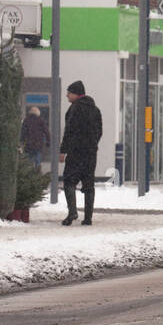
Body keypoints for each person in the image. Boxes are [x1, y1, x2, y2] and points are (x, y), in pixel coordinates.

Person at [60, 80, 102, 226]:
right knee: (89, 184)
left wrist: (63, 150)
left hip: (76, 152)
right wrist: (92, 144)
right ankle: (88, 218)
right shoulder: (95, 109)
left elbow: (69, 131)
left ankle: (72, 212)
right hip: (90, 153)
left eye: (69, 93)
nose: (67, 95)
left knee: (69, 181)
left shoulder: (74, 109)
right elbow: (99, 131)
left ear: (76, 94)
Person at [21, 106, 50, 172]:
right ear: (38, 113)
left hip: (29, 144)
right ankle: (37, 175)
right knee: (38, 161)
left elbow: (23, 132)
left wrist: (22, 141)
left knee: (29, 162)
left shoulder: (26, 120)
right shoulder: (40, 120)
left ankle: (29, 176)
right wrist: (48, 142)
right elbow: (47, 132)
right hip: (38, 144)